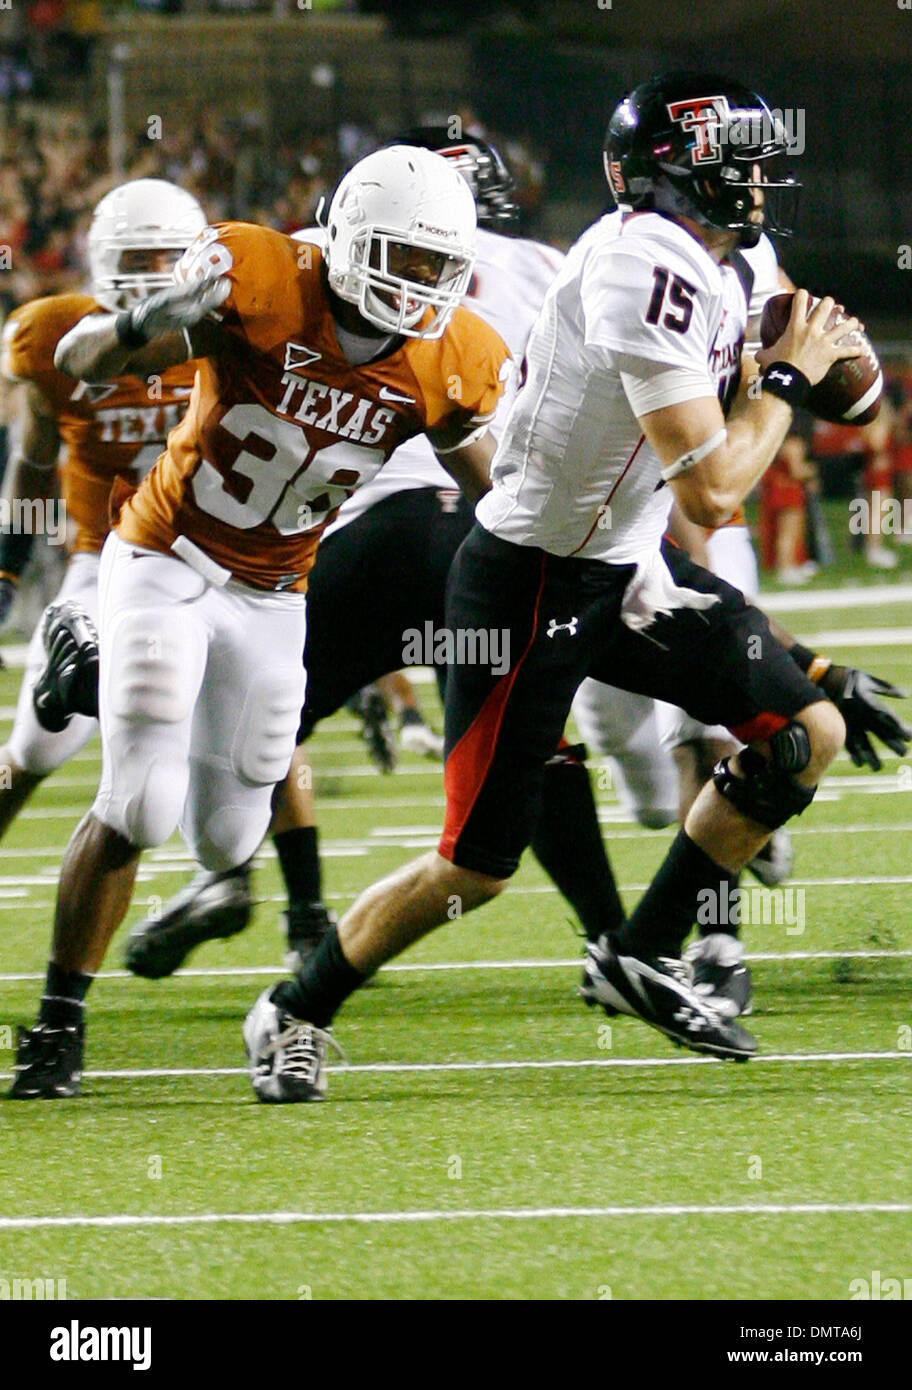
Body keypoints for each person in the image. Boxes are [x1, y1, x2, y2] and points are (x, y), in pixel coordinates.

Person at [239, 71, 871, 1101]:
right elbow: (713, 490)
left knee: (806, 731)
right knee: (474, 871)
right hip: (528, 585)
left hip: (618, 567)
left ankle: (644, 953)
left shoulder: (706, 265)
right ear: (678, 172)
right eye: (736, 162)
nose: (758, 181)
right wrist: (790, 383)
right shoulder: (644, 265)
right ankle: (295, 1006)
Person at [8, 144, 509, 1099]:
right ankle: (57, 1024)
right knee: (138, 801)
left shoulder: (455, 359)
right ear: (354, 239)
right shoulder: (266, 276)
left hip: (276, 592)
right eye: (401, 258)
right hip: (167, 552)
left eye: (436, 267)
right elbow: (80, 361)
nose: (418, 287)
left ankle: (97, 669)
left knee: (227, 841)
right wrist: (148, 318)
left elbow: (488, 488)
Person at [0, 179, 206, 839]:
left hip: (215, 558)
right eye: (135, 260)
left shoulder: (226, 336)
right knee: (35, 750)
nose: (150, 278)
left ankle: (293, 902)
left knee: (253, 726)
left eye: (164, 259)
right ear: (102, 261)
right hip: (103, 558)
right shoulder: (58, 336)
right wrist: (5, 570)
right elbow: (33, 465)